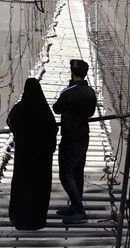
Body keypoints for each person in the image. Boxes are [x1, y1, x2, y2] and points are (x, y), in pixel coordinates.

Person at [6, 77, 58, 230]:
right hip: (42, 158)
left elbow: (10, 122)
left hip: (24, 156)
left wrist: (22, 135)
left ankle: (20, 219)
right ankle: (37, 220)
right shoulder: (44, 110)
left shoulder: (19, 108)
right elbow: (53, 129)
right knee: (39, 187)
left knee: (22, 185)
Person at [52, 58, 97, 224]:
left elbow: (57, 109)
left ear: (72, 73)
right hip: (83, 137)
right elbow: (90, 113)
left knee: (66, 175)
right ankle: (74, 206)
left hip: (70, 138)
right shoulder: (91, 92)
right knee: (77, 173)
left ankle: (79, 211)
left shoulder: (68, 92)